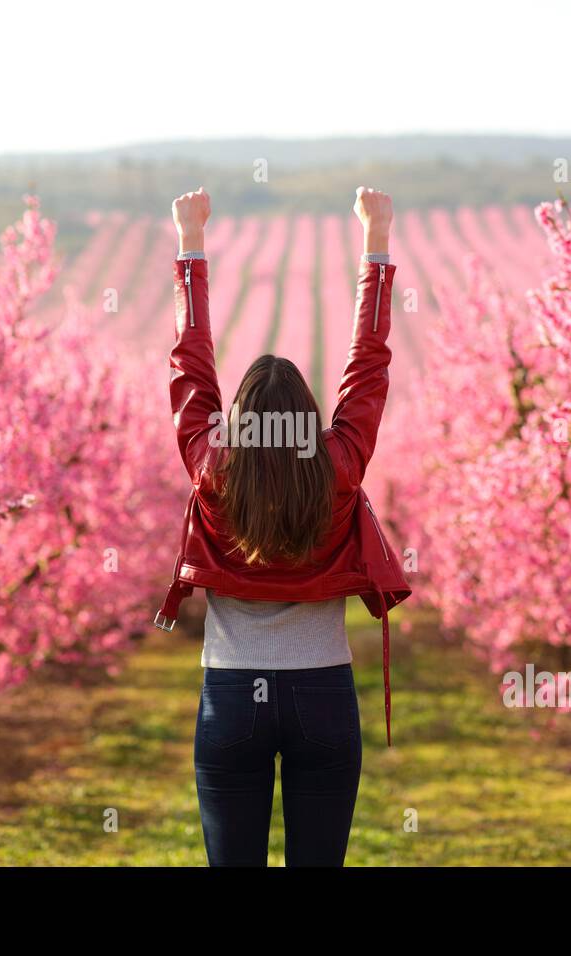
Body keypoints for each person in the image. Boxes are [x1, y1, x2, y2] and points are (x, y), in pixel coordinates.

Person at [161, 186, 410, 866]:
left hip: (232, 694)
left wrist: (190, 240)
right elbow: (369, 362)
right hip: (323, 692)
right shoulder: (340, 466)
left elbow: (190, 361)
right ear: (308, 415)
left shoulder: (212, 466)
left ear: (236, 419)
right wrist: (376, 237)